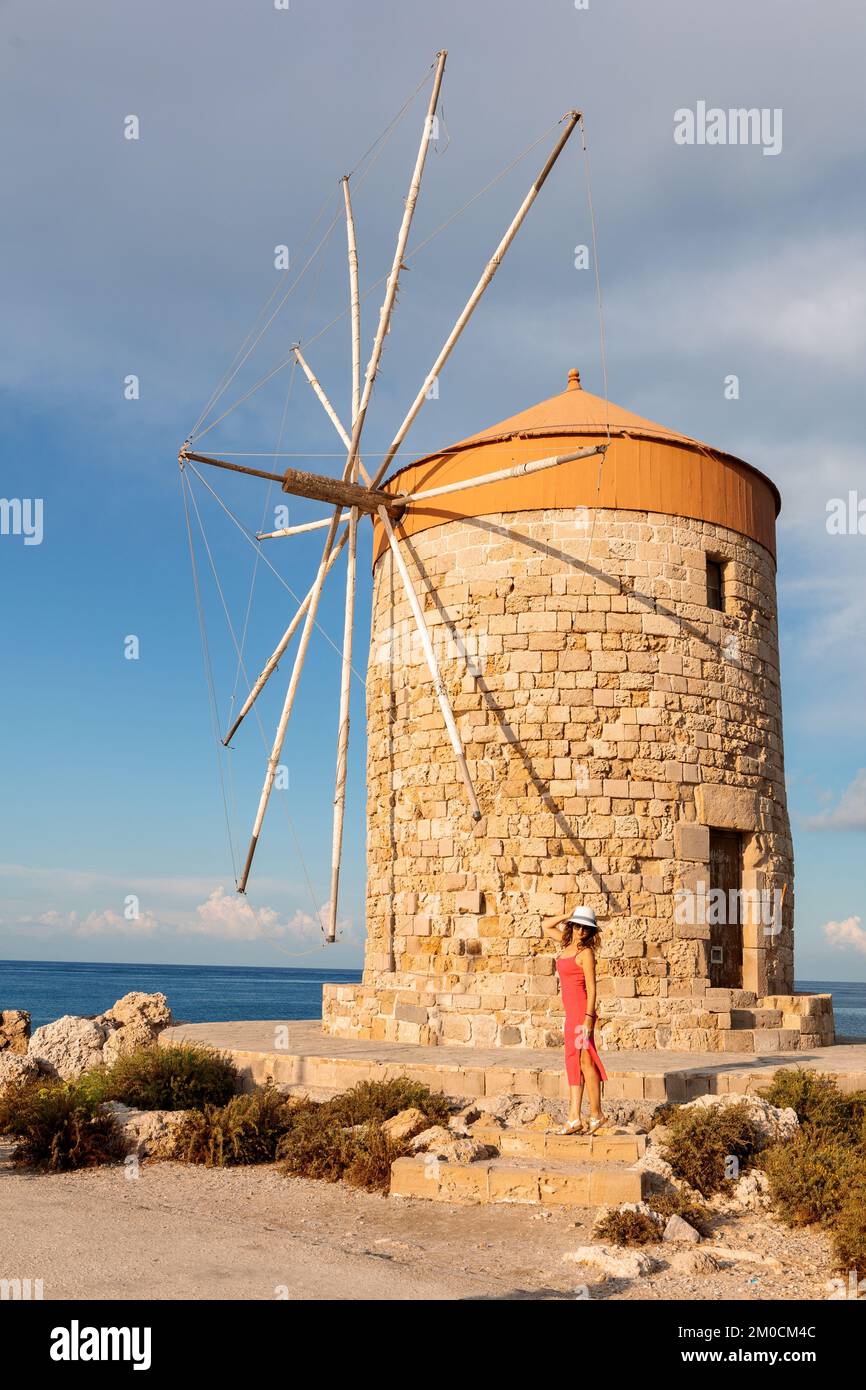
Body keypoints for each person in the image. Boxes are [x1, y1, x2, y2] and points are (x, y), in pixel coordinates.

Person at [541, 905, 608, 1135]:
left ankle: (595, 1114)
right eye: (577, 926)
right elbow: (545, 925)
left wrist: (588, 1020)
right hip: (571, 1015)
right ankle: (574, 1117)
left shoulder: (585, 953)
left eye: (585, 928)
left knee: (586, 1061)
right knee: (574, 1061)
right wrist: (568, 915)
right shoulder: (566, 944)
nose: (581, 931)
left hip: (582, 1014)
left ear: (590, 932)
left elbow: (592, 989)